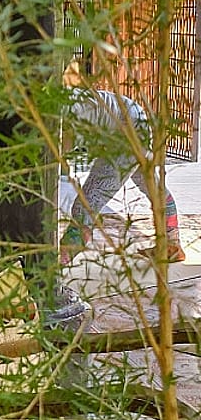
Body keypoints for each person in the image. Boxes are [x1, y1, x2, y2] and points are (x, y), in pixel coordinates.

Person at [60, 59, 185, 265]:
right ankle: (172, 245)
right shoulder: (65, 108)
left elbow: (59, 153)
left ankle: (58, 264)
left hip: (128, 130)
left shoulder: (67, 115)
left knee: (87, 205)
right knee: (152, 187)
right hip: (134, 121)